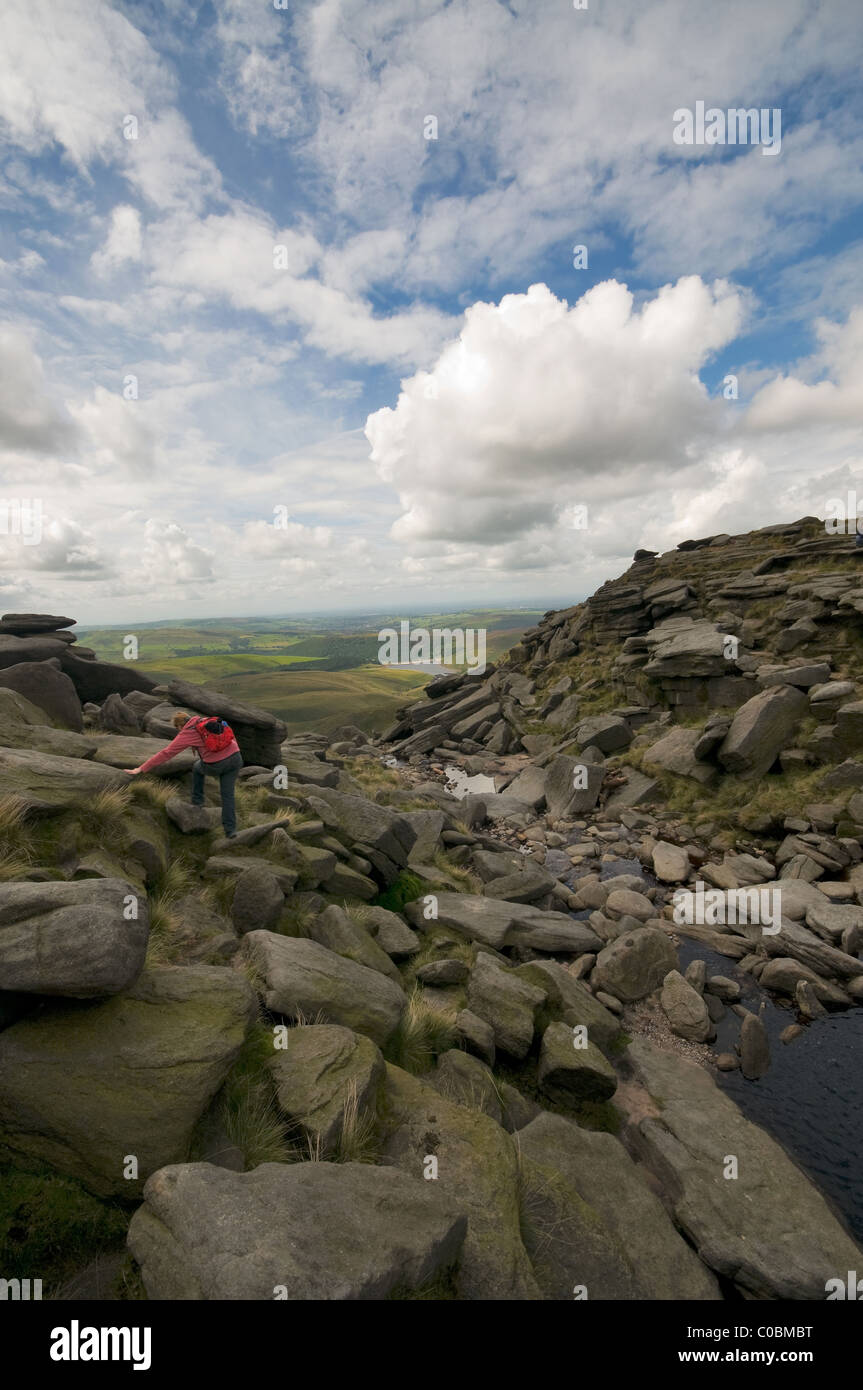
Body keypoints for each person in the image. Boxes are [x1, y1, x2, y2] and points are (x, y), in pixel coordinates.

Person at [124, 711, 243, 839]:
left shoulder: (187, 732)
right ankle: (230, 831)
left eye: (177, 729)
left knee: (197, 768)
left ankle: (197, 802)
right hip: (236, 758)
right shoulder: (208, 720)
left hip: (216, 764)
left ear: (180, 726)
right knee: (227, 796)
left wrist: (141, 768)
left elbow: (166, 753)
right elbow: (229, 733)